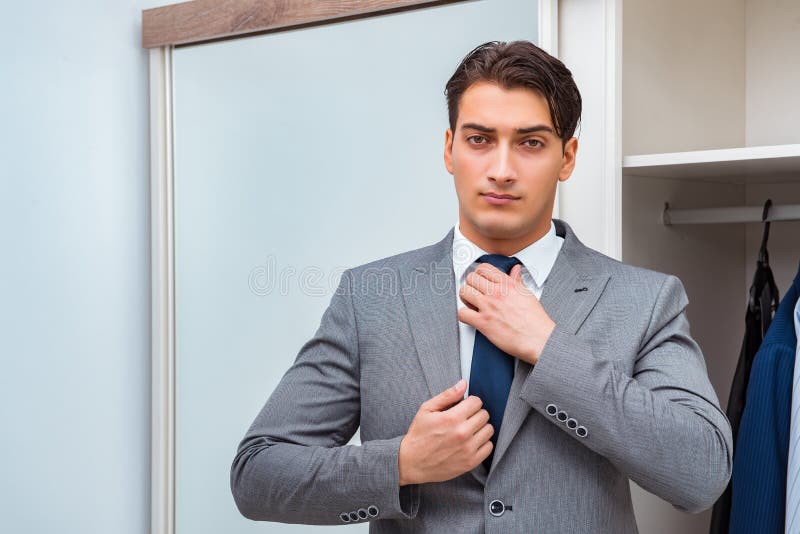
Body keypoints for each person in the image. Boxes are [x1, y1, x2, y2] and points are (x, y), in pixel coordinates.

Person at [230, 40, 732, 533]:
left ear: (568, 157)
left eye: (530, 142)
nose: (501, 170)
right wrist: (402, 463)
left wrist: (550, 350)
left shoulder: (645, 301)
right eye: (479, 139)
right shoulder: (370, 297)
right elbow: (258, 474)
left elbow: (702, 473)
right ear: (450, 149)